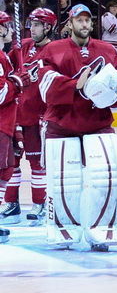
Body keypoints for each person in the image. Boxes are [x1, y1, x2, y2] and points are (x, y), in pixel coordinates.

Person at [37, 4, 117, 251]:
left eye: (87, 20)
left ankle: (104, 227)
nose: (84, 24)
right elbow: (45, 85)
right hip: (62, 123)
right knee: (64, 181)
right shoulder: (53, 50)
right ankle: (63, 228)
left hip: (97, 123)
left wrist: (110, 94)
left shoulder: (108, 50)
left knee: (106, 177)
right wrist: (77, 85)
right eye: (79, 20)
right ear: (70, 23)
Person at [0, 8, 57, 227]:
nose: (31, 29)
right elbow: (9, 71)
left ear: (48, 27)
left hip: (38, 116)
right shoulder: (23, 46)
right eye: (31, 24)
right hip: (17, 114)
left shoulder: (55, 50)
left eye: (36, 25)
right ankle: (11, 204)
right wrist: (12, 50)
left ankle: (40, 204)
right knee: (12, 162)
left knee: (37, 162)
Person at [0, 12, 26, 242]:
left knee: (6, 170)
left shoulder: (4, 56)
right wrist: (16, 82)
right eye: (6, 26)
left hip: (6, 124)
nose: (10, 29)